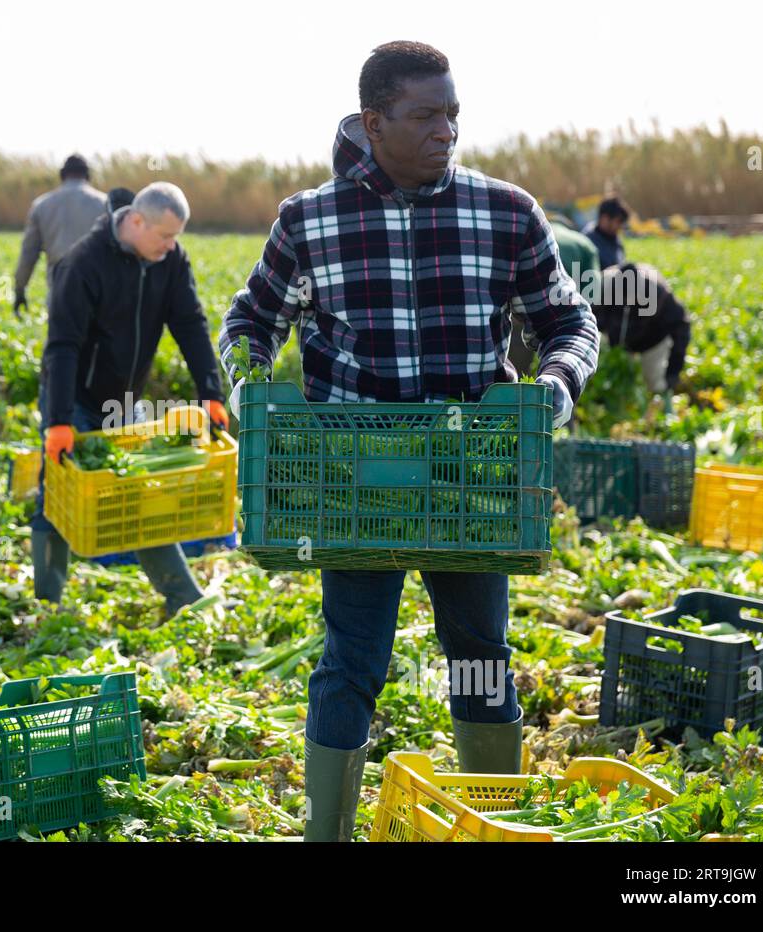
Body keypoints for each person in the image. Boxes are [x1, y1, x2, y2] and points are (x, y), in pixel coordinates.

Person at [219, 41, 599, 841]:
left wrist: (556, 388)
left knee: (480, 654)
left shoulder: (506, 212)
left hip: (475, 477)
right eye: (426, 115)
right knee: (351, 661)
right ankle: (327, 832)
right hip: (357, 481)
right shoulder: (311, 219)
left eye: (454, 114)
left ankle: (497, 824)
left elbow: (569, 321)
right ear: (373, 121)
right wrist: (249, 383)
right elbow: (251, 319)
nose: (447, 131)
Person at [33, 182, 229, 616]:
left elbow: (190, 325)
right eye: (164, 235)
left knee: (141, 494)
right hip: (74, 397)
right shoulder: (83, 263)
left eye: (176, 237)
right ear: (136, 221)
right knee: (58, 498)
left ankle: (182, 597)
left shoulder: (169, 261)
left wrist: (210, 393)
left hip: (123, 400)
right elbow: (62, 346)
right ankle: (48, 602)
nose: (170, 245)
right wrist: (60, 421)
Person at [12, 154, 108, 317]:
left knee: (61, 340)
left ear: (62, 175)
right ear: (87, 175)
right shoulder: (104, 203)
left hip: (60, 292)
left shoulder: (42, 205)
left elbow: (28, 255)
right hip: (99, 293)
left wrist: (20, 289)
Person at [507, 212, 601, 377]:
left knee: (518, 366)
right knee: (554, 369)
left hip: (519, 307)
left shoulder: (532, 232)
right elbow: (593, 292)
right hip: (561, 310)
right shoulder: (584, 244)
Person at [594, 261, 691, 395]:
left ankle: (661, 402)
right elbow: (589, 316)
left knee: (655, 383)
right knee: (613, 383)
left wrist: (673, 371)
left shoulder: (659, 293)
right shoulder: (603, 285)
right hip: (614, 341)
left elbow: (681, 327)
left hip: (651, 340)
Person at [582, 196, 631, 270]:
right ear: (605, 219)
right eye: (619, 221)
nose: (620, 226)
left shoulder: (616, 240)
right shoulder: (587, 241)